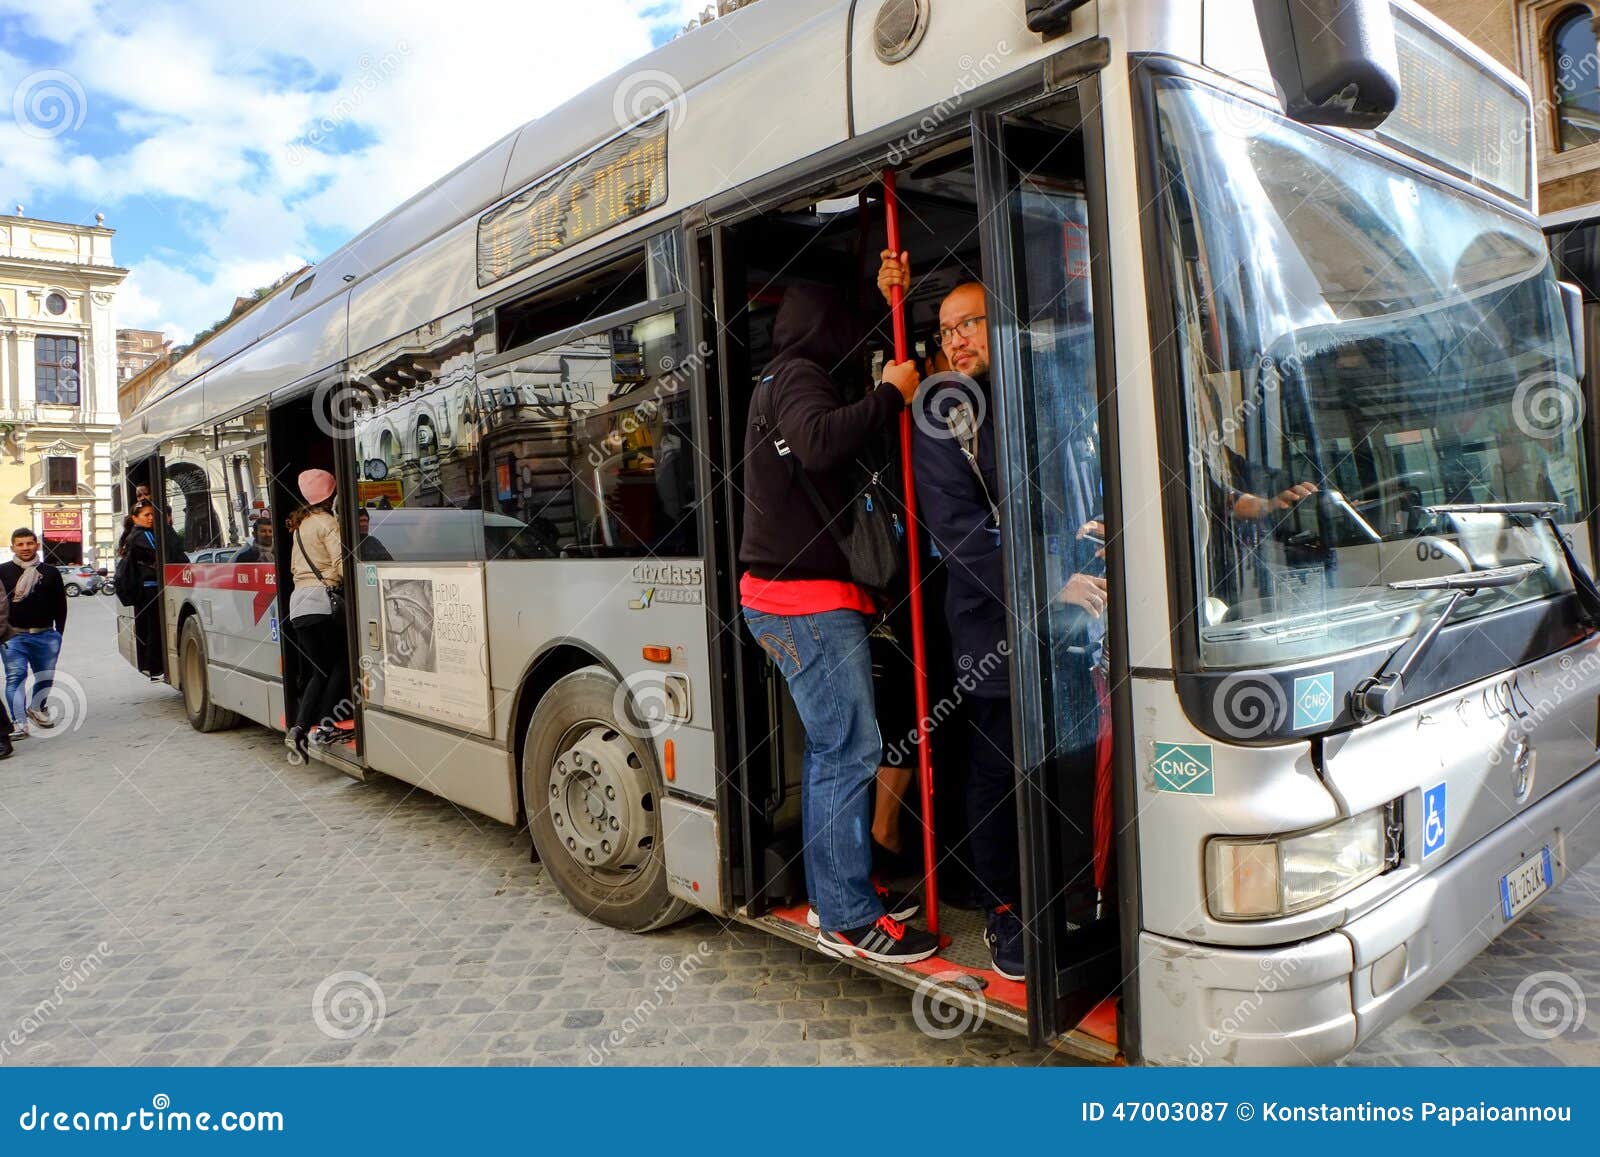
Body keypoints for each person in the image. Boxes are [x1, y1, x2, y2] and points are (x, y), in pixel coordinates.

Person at [879, 253, 1112, 981]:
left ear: (999, 325)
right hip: (995, 633)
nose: (957, 340)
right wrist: (1053, 580)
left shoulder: (1032, 393)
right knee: (1000, 774)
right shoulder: (940, 415)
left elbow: (1054, 496)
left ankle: (1069, 893)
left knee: (1060, 768)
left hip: (1069, 628)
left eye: (970, 323)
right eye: (947, 330)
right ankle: (1006, 911)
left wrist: (1090, 527)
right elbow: (966, 538)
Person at [737, 284, 938, 964]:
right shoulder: (799, 376)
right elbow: (819, 442)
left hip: (790, 596)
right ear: (829, 325)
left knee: (834, 748)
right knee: (848, 749)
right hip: (805, 600)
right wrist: (890, 395)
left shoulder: (778, 375)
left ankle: (836, 894)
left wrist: (887, 299)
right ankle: (850, 915)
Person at [286, 469, 349, 758]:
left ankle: (298, 728)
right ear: (331, 495)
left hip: (298, 604)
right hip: (322, 602)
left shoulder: (300, 526)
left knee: (318, 670)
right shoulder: (328, 523)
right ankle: (326, 725)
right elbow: (341, 565)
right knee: (340, 664)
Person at [1, 529, 68, 738]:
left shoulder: (50, 572)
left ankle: (36, 707)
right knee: (15, 678)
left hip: (46, 634)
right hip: (12, 636)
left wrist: (59, 633)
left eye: (29, 543)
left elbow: (60, 604)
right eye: (20, 544)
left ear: (36, 545)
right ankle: (19, 723)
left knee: (45, 677)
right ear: (12, 547)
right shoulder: (2, 572)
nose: (25, 548)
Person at [125, 502, 164, 680]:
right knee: (153, 628)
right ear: (135, 518)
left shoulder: (133, 535)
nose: (150, 518)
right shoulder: (143, 535)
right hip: (150, 587)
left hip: (143, 588)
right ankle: (154, 666)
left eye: (152, 515)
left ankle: (149, 665)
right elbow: (160, 554)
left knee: (147, 628)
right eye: (146, 515)